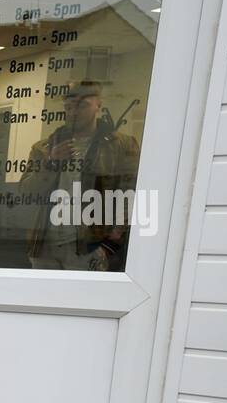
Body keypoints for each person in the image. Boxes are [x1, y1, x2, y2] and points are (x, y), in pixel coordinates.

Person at [21, 80, 140, 272]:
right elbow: (26, 193)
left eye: (83, 105)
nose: (74, 112)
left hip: (90, 246)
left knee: (85, 300)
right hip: (45, 246)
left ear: (98, 105)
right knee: (43, 300)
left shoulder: (120, 145)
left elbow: (132, 197)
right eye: (69, 107)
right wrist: (51, 164)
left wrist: (109, 246)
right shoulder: (44, 148)